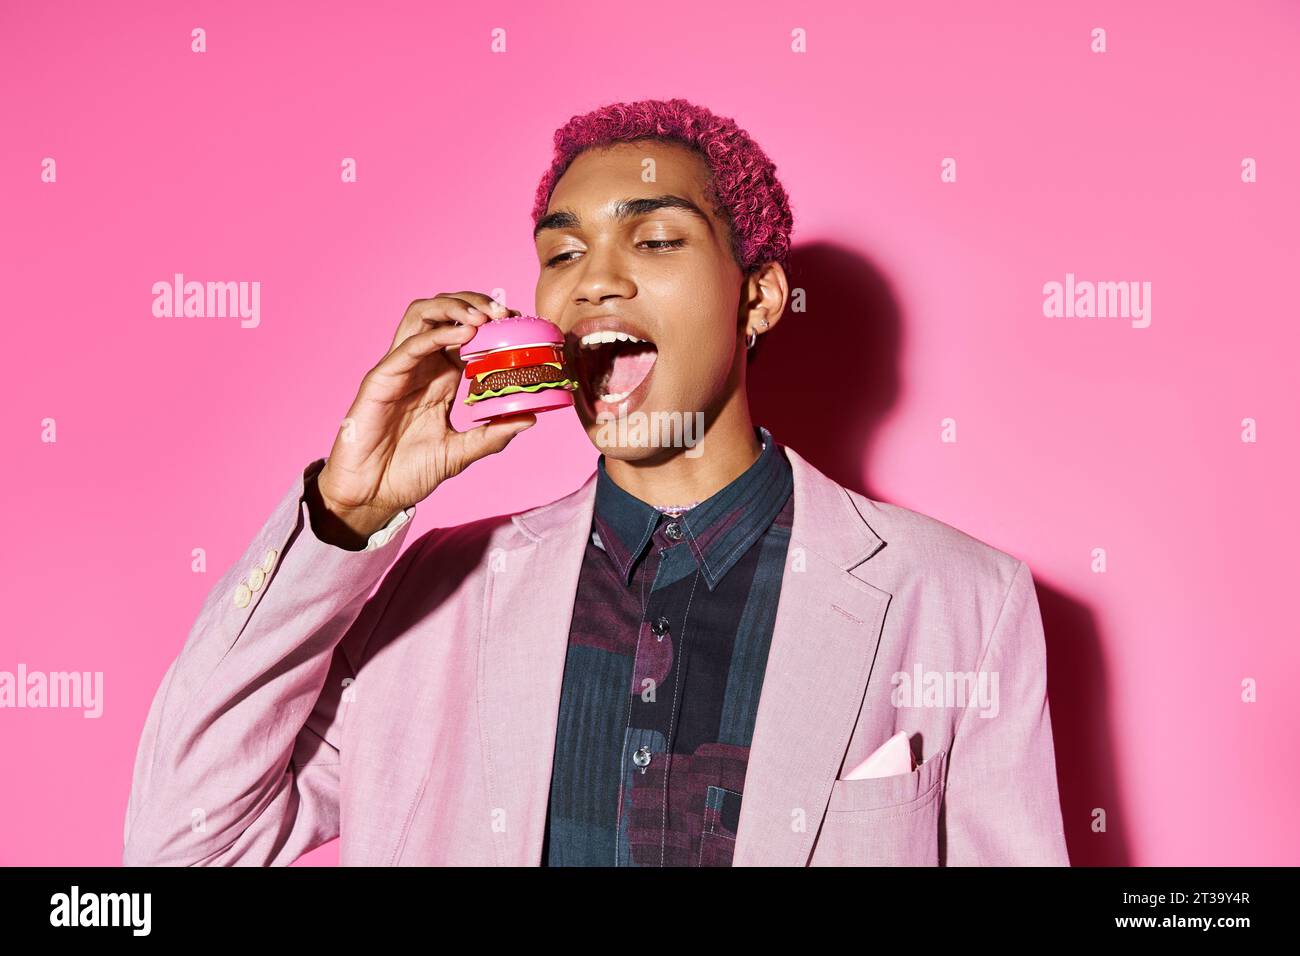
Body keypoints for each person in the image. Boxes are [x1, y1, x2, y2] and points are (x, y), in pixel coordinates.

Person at [123, 98, 1069, 866]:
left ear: (760, 297)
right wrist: (345, 514)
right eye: (562, 253)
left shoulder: (960, 601)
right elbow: (181, 845)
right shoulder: (429, 599)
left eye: (654, 241)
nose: (592, 284)